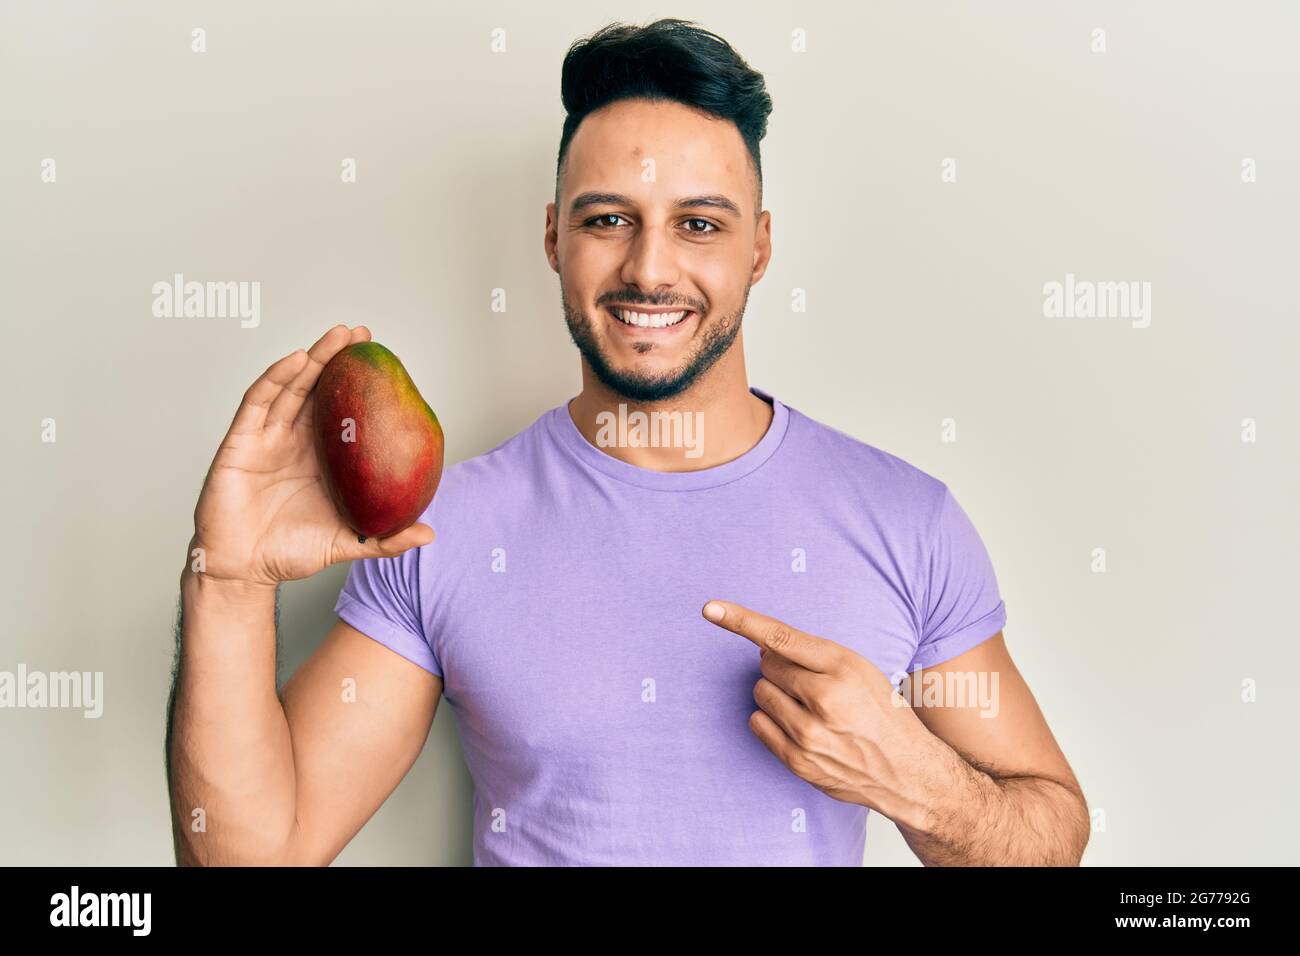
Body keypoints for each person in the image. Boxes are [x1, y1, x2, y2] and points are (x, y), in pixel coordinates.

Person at [167, 18, 1089, 866]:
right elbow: (253, 857)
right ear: (552, 239)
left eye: (699, 224)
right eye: (608, 219)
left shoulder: (905, 519)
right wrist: (227, 582)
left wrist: (915, 777)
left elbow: (1052, 831)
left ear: (759, 249)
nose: (650, 267)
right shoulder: (440, 531)